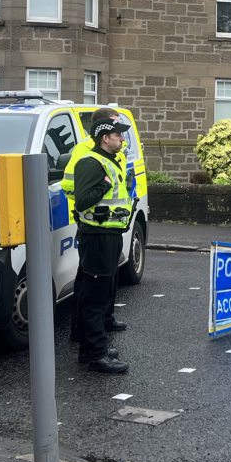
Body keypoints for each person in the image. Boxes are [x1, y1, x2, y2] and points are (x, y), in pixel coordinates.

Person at [62, 108, 136, 373]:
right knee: (95, 297)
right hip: (97, 236)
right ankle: (96, 354)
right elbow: (82, 200)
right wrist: (104, 185)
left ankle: (93, 347)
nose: (122, 140)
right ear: (105, 137)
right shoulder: (91, 162)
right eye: (118, 135)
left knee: (101, 294)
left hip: (110, 234)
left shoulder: (109, 160)